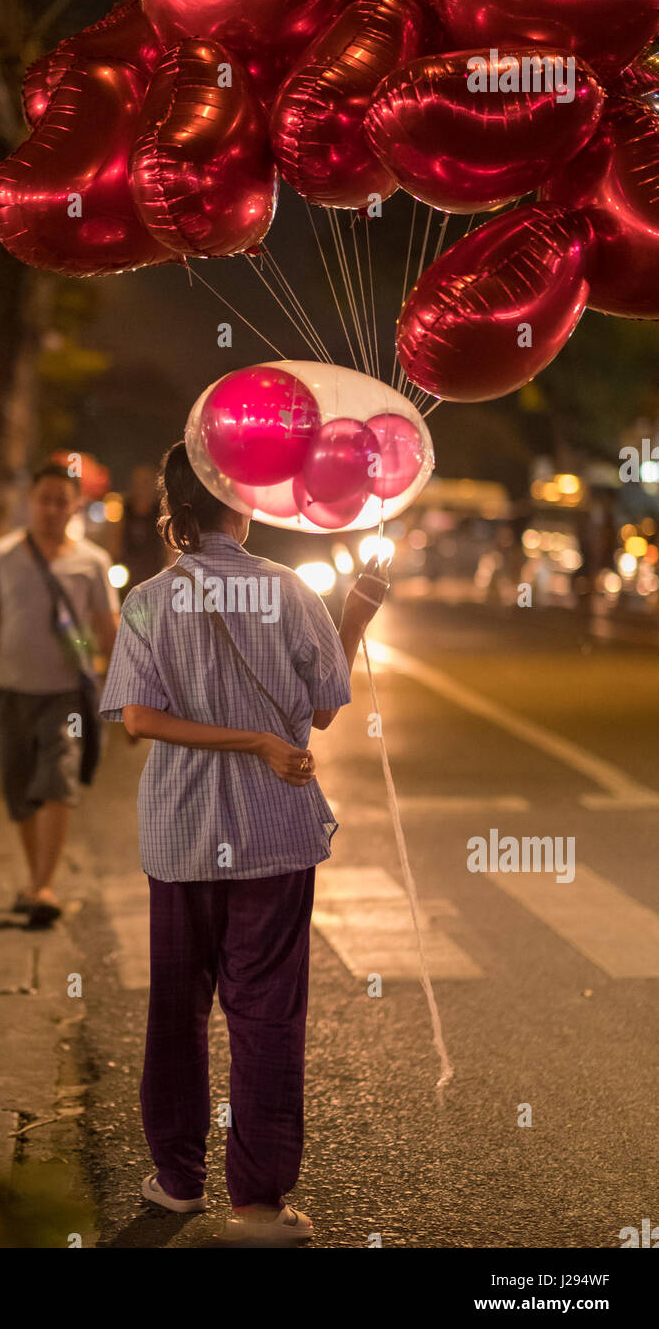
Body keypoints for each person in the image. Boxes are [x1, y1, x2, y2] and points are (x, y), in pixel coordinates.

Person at [99, 440, 388, 1242]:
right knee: (265, 1015)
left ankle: (178, 1180)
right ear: (240, 502)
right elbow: (323, 709)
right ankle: (258, 1204)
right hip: (273, 833)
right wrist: (354, 617)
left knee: (175, 1009)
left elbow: (139, 719)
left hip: (180, 836)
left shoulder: (150, 600)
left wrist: (243, 737)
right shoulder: (290, 591)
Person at [0, 464, 118, 926]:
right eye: (45, 499)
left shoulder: (92, 562)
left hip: (66, 693)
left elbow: (107, 628)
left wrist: (124, 691)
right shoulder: (0, 555)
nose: (53, 508)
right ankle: (33, 879)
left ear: (76, 506)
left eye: (63, 500)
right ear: (30, 502)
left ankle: (43, 886)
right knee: (18, 788)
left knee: (58, 781)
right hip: (9, 690)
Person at [119, 463, 167, 589]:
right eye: (138, 483)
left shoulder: (160, 512)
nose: (141, 488)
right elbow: (115, 538)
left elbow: (166, 545)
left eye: (146, 483)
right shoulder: (125, 510)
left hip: (154, 569)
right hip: (128, 571)